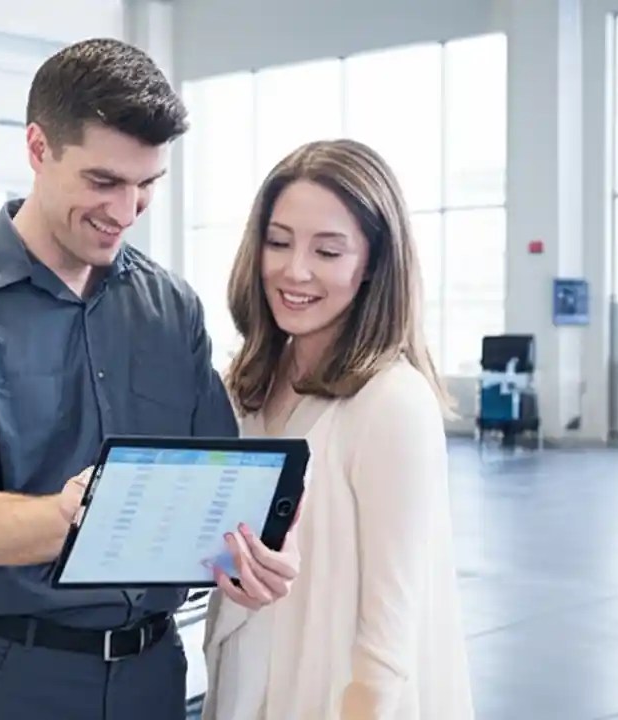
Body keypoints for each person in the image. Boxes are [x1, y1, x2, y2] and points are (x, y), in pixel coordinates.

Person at [0, 38, 300, 720]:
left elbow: (217, 485)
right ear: (39, 148)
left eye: (148, 185)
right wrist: (73, 514)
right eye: (104, 181)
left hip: (153, 670)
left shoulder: (172, 307)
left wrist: (246, 554)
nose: (127, 210)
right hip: (14, 677)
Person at [201, 139, 474, 720]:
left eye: (328, 251)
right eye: (278, 242)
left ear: (373, 262)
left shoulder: (392, 403)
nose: (294, 271)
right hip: (245, 685)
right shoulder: (244, 385)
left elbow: (388, 640)